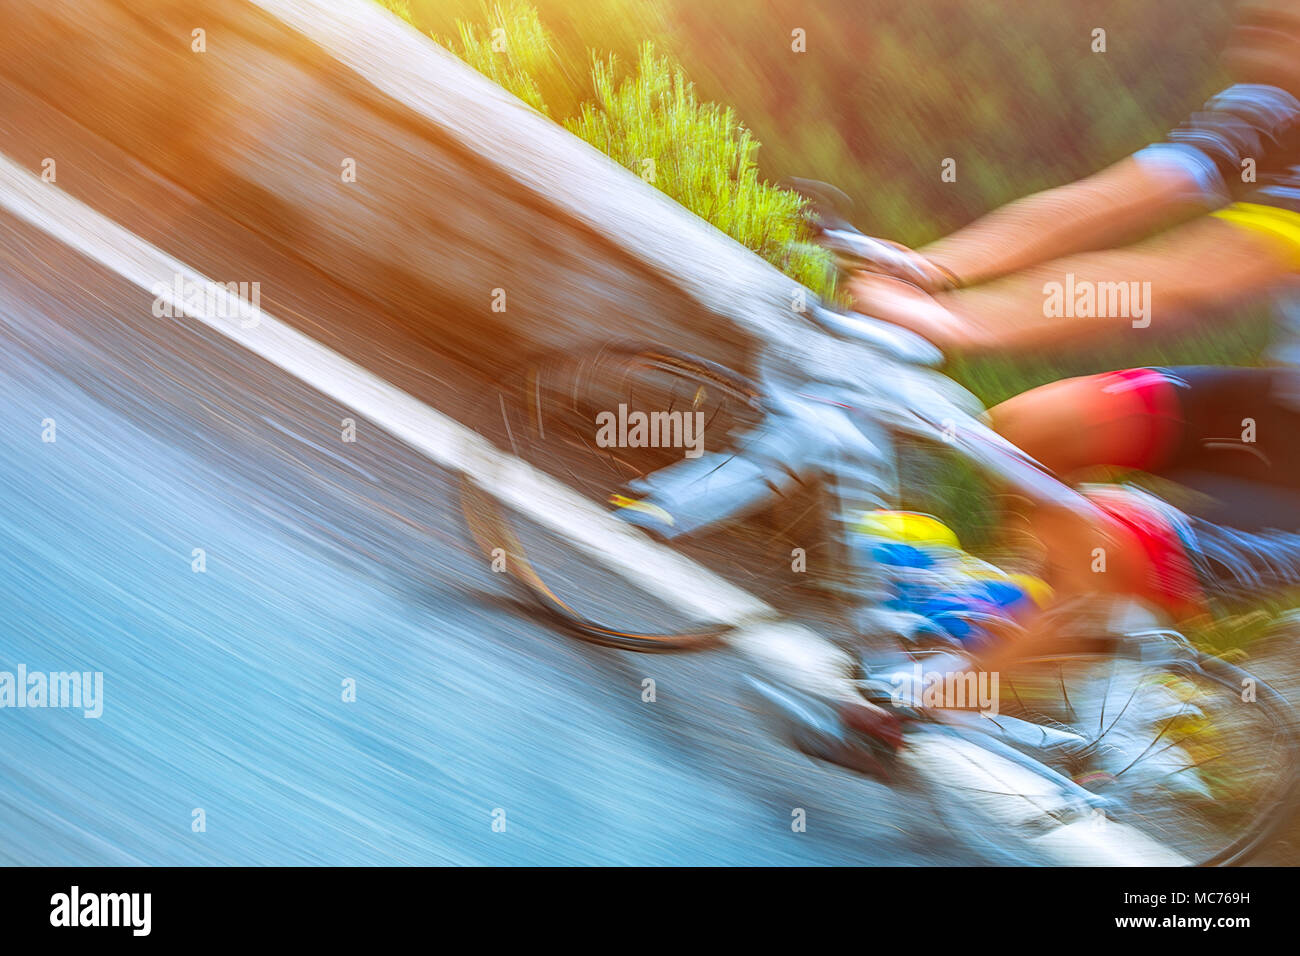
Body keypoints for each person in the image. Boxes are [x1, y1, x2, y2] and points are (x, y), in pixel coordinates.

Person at [844, 0, 1300, 621]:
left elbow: (1192, 278)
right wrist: (933, 270)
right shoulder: (1274, 104)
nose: (1261, 15)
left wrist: (966, 321)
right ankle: (1016, 617)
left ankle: (979, 689)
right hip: (1282, 406)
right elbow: (1113, 198)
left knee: (1116, 551)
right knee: (1035, 429)